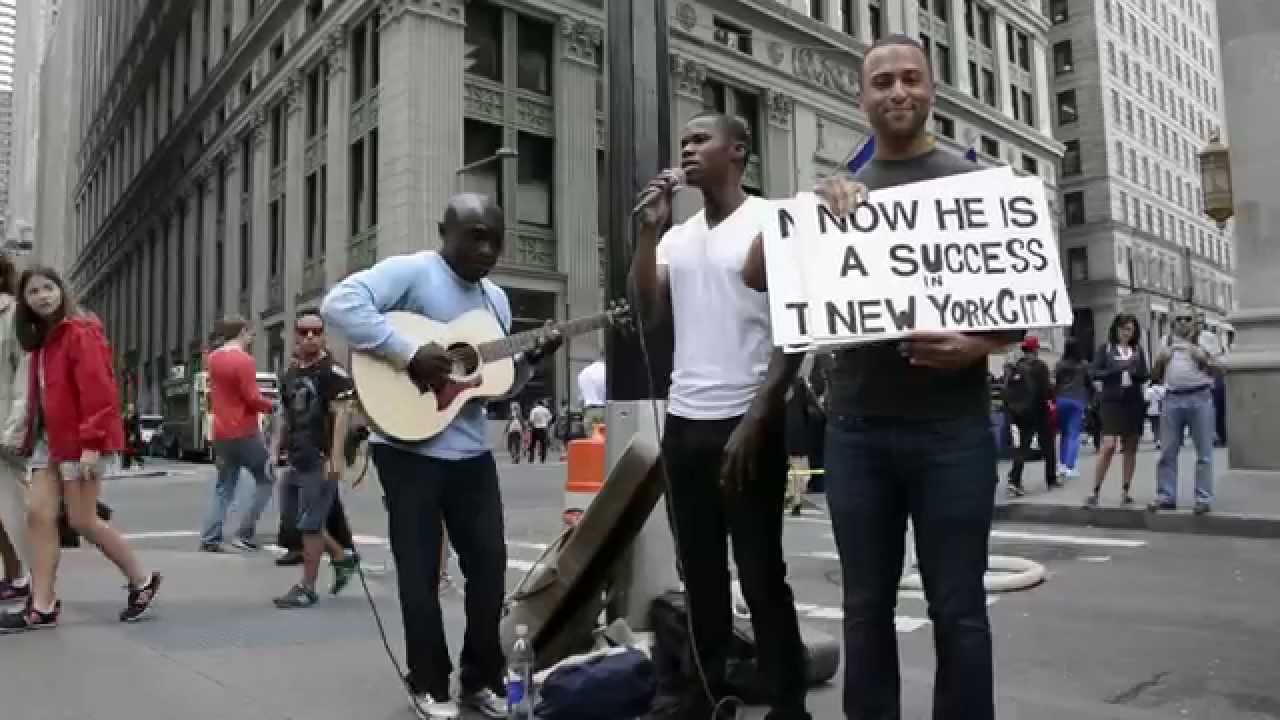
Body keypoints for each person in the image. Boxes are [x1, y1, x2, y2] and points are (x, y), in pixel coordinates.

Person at [769, 35, 1020, 719]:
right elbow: (767, 276)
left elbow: (1022, 310)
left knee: (959, 610)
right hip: (857, 432)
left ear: (932, 90)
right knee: (865, 609)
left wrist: (973, 345)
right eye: (883, 82)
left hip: (954, 432)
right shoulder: (839, 193)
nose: (898, 91)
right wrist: (812, 215)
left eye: (911, 78)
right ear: (863, 98)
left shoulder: (975, 185)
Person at [321, 193, 563, 719]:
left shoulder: (496, 300)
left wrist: (530, 362)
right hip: (408, 450)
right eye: (475, 237)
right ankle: (428, 683)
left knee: (490, 569)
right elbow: (338, 305)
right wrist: (409, 352)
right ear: (444, 231)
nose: (487, 249)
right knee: (419, 572)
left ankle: (481, 679)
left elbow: (493, 385)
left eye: (495, 240)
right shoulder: (413, 272)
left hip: (471, 454)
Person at [631, 111, 821, 720]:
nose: (687, 149)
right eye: (683, 141)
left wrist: (758, 418)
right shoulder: (677, 236)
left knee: (761, 573)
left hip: (749, 421)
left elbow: (794, 332)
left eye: (700, 140)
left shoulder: (770, 220)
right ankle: (710, 695)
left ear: (737, 150)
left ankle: (789, 704)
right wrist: (647, 235)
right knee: (700, 573)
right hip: (685, 421)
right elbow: (646, 314)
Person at [0, 267, 161, 631]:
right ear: (25, 301)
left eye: (48, 288)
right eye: (34, 292)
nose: (42, 296)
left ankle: (142, 580)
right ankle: (42, 604)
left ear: (62, 290)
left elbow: (99, 392)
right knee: (38, 515)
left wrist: (91, 445)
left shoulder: (80, 332)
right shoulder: (42, 339)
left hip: (80, 441)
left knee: (82, 520)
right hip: (49, 442)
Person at [269, 310, 360, 607]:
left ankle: (307, 588)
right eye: (304, 331)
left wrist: (335, 458)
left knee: (310, 524)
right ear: (295, 335)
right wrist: (274, 449)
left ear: (324, 336)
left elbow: (343, 416)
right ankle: (341, 557)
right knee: (299, 522)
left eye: (316, 331)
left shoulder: (333, 373)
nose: (310, 336)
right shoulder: (291, 372)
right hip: (296, 458)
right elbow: (284, 414)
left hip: (320, 458)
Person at [200, 315, 275, 552]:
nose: (252, 336)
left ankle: (210, 538)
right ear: (242, 331)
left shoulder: (213, 359)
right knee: (266, 478)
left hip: (221, 432)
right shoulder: (245, 361)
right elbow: (251, 398)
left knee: (224, 487)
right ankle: (244, 532)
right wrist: (271, 406)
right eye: (250, 332)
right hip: (244, 431)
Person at [1149, 310, 1220, 514]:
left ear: (1195, 321)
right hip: (1172, 398)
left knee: (1204, 452)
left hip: (1200, 397)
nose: (1182, 323)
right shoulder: (1166, 341)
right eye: (1178, 319)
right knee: (1167, 451)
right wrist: (1160, 360)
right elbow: (1155, 375)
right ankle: (1166, 496)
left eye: (1187, 319)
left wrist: (1202, 357)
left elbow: (1221, 368)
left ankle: (1203, 498)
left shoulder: (1207, 339)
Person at [1085, 313, 1149, 507]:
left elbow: (1145, 374)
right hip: (1112, 402)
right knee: (1109, 445)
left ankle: (1125, 490)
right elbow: (1093, 372)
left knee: (1131, 446)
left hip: (1133, 401)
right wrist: (1116, 369)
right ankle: (1094, 490)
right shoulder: (1106, 349)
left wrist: (1135, 372)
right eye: (1122, 329)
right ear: (1115, 329)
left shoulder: (1137, 350)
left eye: (1130, 329)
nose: (1126, 333)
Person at [0, 255, 30, 604]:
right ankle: (14, 575)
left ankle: (24, 577)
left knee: (11, 508)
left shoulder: (13, 314)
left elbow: (25, 375)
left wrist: (14, 429)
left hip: (5, 429)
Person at [1004, 336, 1058, 496]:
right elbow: (1046, 390)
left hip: (1022, 413)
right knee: (1048, 445)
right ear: (1036, 349)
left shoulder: (1017, 366)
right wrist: (1052, 401)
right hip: (1040, 411)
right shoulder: (1040, 366)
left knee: (1023, 446)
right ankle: (1051, 479)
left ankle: (1014, 480)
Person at [1053, 338, 1091, 479]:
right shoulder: (1083, 365)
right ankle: (1070, 466)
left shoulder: (1059, 364)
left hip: (1061, 399)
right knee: (1073, 434)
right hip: (1077, 400)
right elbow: (1088, 382)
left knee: (1064, 433)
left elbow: (1055, 381)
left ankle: (1062, 464)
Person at [577, 357, 606, 435]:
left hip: (590, 411)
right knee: (608, 438)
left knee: (592, 438)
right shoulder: (607, 371)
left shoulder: (584, 373)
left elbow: (581, 398)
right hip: (606, 411)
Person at [526, 399, 552, 463]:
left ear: (537, 403)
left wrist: (531, 427)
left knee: (533, 444)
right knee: (543, 444)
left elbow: (531, 420)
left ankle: (531, 458)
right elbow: (550, 419)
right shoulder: (546, 410)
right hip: (543, 429)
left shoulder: (534, 410)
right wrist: (546, 424)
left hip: (535, 428)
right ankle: (542, 459)